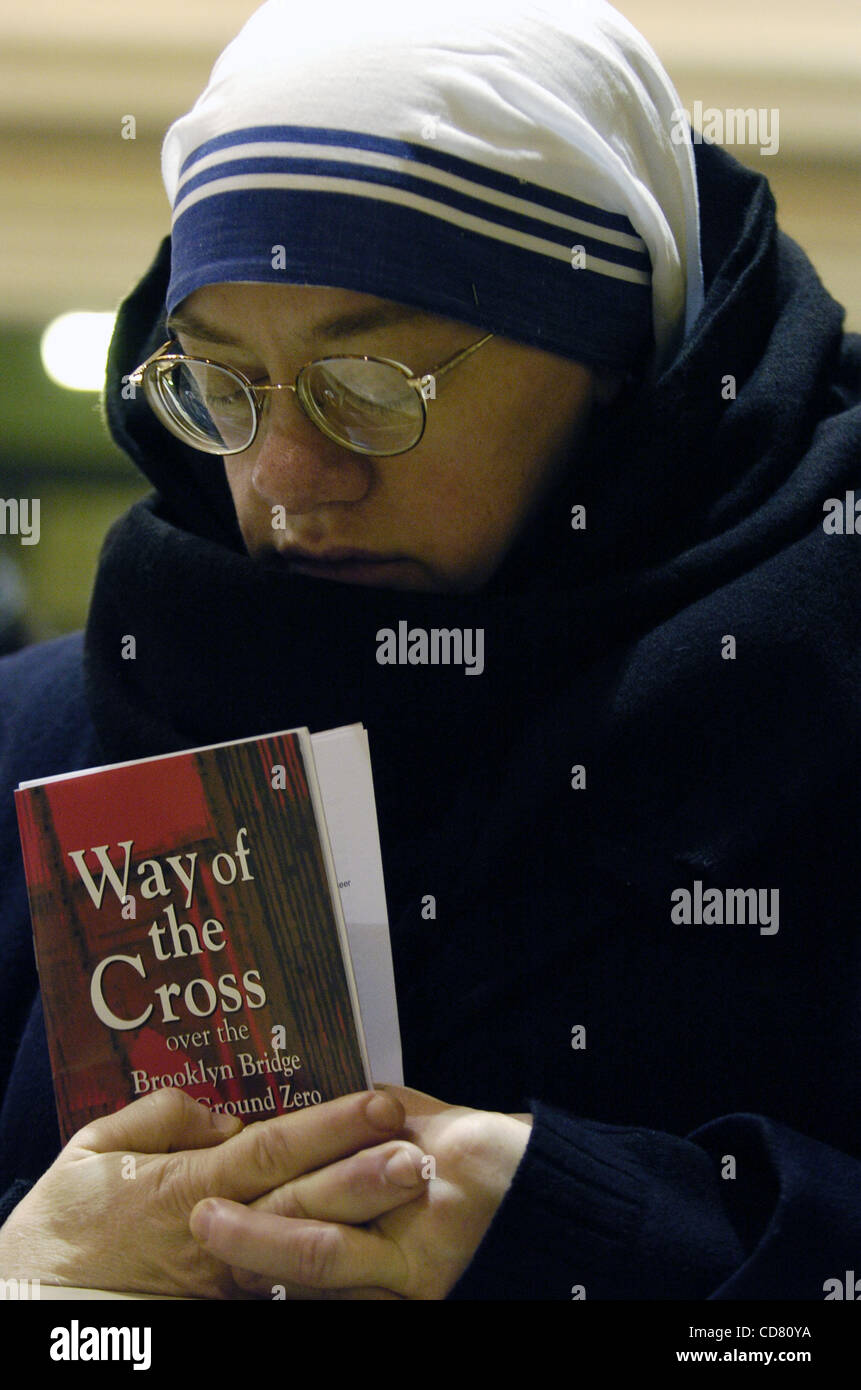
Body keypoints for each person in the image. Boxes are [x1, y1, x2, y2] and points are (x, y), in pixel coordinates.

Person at [0, 0, 859, 1301]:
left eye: (374, 389)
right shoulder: (53, 730)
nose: (286, 477)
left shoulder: (821, 694)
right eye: (218, 387)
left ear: (619, 360)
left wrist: (597, 1236)